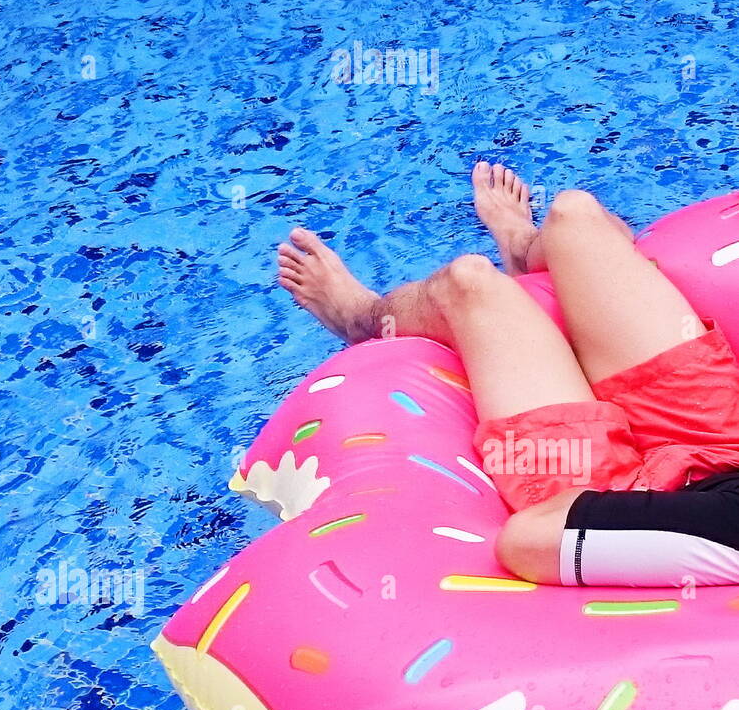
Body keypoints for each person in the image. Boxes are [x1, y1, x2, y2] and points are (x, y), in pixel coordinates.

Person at [275, 163, 739, 586]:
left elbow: (528, 541)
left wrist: (629, 512)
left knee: (471, 284)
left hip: (611, 486)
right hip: (722, 437)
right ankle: (522, 245)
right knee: (576, 216)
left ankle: (358, 318)